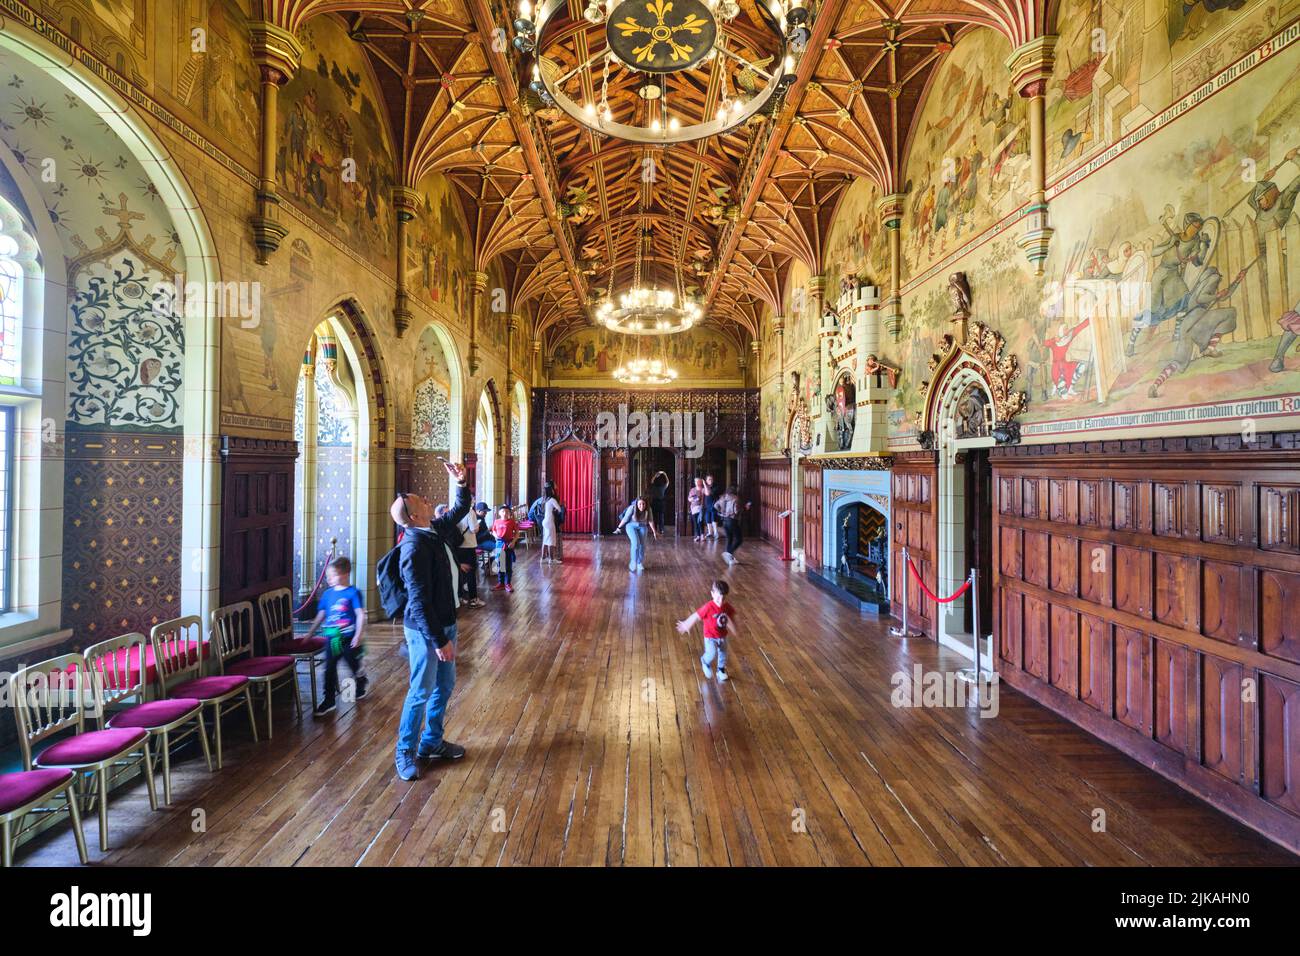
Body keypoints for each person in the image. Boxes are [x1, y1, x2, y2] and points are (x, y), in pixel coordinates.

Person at [390, 459, 470, 782]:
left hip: (446, 621)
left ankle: (432, 742)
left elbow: (459, 511)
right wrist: (438, 640)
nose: (426, 499)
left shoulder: (432, 529)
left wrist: (462, 483)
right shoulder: (413, 548)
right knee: (421, 690)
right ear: (413, 516)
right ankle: (405, 751)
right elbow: (419, 603)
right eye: (419, 499)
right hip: (426, 632)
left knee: (445, 685)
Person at [302, 555, 367, 717]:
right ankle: (329, 699)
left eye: (333, 575)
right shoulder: (327, 594)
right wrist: (310, 633)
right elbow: (321, 615)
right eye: (328, 576)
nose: (329, 579)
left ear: (345, 574)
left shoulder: (353, 593)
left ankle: (360, 680)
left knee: (353, 664)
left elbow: (360, 615)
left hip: (348, 637)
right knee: (329, 668)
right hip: (333, 637)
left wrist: (358, 635)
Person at [676, 579, 738, 683]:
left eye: (723, 597)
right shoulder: (708, 607)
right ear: (712, 594)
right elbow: (696, 616)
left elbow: (731, 617)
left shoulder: (727, 607)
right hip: (710, 637)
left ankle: (721, 670)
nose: (720, 600)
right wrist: (687, 624)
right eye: (718, 597)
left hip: (723, 636)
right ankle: (705, 661)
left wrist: (734, 628)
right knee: (711, 653)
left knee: (723, 653)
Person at [615, 496, 658, 572]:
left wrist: (654, 532)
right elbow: (625, 519)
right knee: (635, 543)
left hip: (642, 526)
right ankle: (633, 562)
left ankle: (639, 562)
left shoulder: (649, 509)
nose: (642, 506)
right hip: (631, 526)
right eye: (640, 504)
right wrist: (619, 528)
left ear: (646, 504)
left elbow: (650, 521)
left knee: (642, 545)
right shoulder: (632, 508)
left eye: (643, 504)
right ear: (637, 504)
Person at [454, 503, 485, 608]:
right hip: (468, 545)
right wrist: (478, 527)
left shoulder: (454, 511)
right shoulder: (470, 512)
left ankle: (459, 597)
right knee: (471, 573)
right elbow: (473, 529)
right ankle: (473, 599)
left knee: (459, 572)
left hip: (457, 545)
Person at [715, 484, 752, 565]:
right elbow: (736, 511)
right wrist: (745, 508)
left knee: (729, 539)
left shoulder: (723, 497)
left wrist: (722, 512)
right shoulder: (736, 499)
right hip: (732, 520)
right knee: (739, 539)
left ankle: (730, 560)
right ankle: (729, 553)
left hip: (724, 520)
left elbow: (715, 506)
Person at [491, 505, 518, 592]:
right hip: (499, 544)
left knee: (508, 565)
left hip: (508, 544)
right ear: (499, 513)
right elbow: (493, 530)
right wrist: (496, 536)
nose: (505, 513)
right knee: (500, 564)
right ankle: (501, 583)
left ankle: (508, 583)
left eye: (507, 512)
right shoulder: (496, 521)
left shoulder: (512, 522)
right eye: (503, 511)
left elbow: (517, 533)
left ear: (510, 513)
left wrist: (513, 542)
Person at [539, 481, 565, 564]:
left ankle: (543, 558)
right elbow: (559, 509)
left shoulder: (544, 499)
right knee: (551, 541)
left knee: (545, 540)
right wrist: (562, 505)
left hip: (544, 521)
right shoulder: (552, 499)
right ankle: (551, 559)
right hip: (550, 521)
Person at [688, 477, 706, 542]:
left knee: (700, 522)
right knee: (695, 523)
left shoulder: (703, 489)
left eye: (698, 481)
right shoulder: (692, 490)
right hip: (694, 508)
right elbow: (689, 499)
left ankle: (702, 535)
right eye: (696, 482)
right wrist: (694, 498)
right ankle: (698, 536)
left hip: (701, 508)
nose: (697, 483)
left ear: (701, 482)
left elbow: (706, 494)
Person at [703, 474, 719, 540]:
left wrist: (704, 484)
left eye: (711, 479)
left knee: (714, 518)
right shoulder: (704, 487)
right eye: (709, 479)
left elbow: (708, 493)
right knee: (707, 519)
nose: (711, 480)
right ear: (706, 480)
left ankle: (716, 533)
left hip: (713, 505)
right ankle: (710, 532)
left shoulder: (716, 487)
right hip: (707, 505)